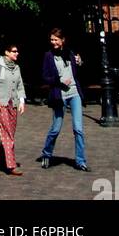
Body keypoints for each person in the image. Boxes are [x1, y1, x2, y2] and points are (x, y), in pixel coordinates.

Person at [40, 27, 89, 171]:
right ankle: (46, 154)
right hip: (59, 96)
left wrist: (80, 62)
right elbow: (45, 77)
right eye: (51, 39)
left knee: (78, 129)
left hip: (74, 94)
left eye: (55, 39)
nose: (53, 42)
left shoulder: (70, 53)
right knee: (56, 128)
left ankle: (80, 161)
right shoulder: (48, 56)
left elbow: (77, 69)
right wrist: (59, 81)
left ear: (62, 40)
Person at [0, 42, 26, 175]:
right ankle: (11, 165)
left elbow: (20, 85)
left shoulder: (16, 67)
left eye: (17, 51)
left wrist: (22, 101)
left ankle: (0, 159)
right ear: (6, 52)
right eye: (14, 51)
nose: (16, 53)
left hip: (12, 103)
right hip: (1, 103)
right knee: (7, 133)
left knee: (10, 133)